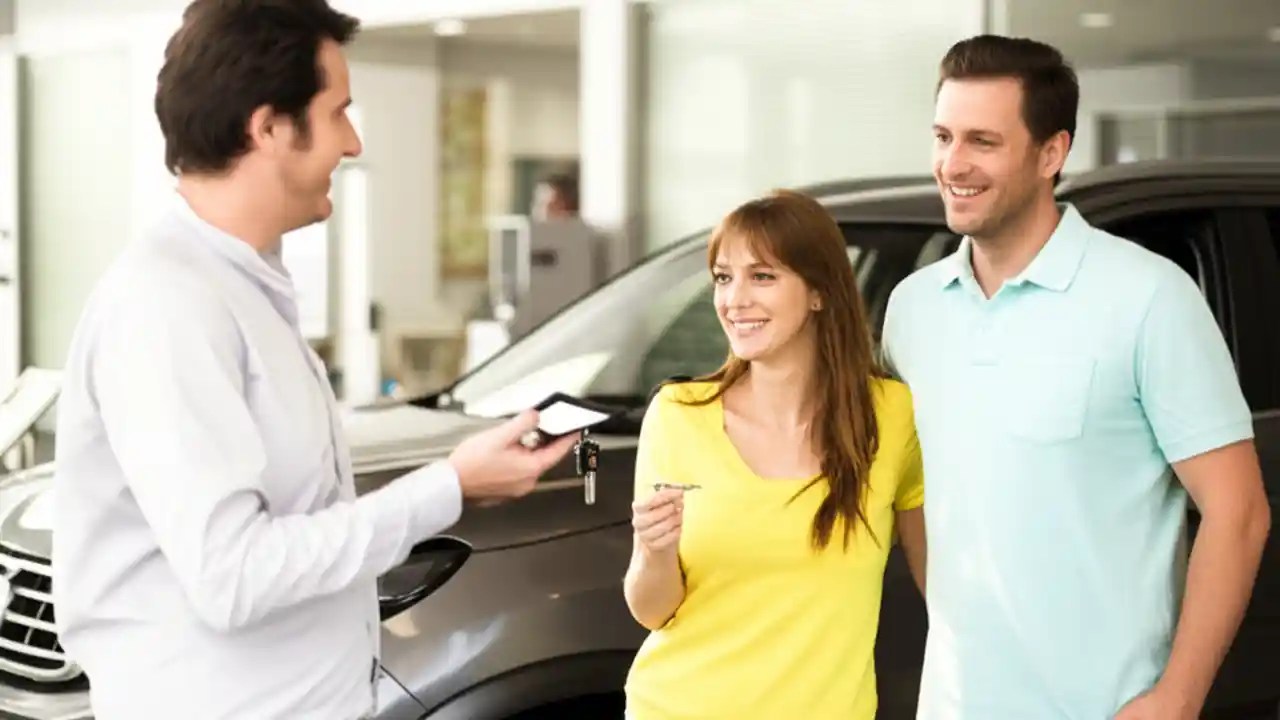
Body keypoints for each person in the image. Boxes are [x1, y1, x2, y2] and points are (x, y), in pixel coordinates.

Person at [49, 2, 578, 718]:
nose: (354, 143)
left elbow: (293, 526)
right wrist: (446, 487)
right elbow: (233, 575)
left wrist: (458, 482)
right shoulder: (168, 305)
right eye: (339, 112)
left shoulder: (244, 286)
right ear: (267, 127)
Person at [882, 34, 1271, 719]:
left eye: (982, 141)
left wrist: (1176, 699)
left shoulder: (1149, 296)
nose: (953, 164)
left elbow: (1238, 512)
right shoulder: (912, 309)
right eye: (943, 136)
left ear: (1052, 153)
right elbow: (916, 491)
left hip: (1107, 707)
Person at [622, 189, 928, 719]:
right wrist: (653, 553)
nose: (734, 300)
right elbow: (652, 611)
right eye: (723, 277)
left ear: (818, 292)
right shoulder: (679, 415)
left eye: (762, 276)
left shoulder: (890, 416)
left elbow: (943, 589)